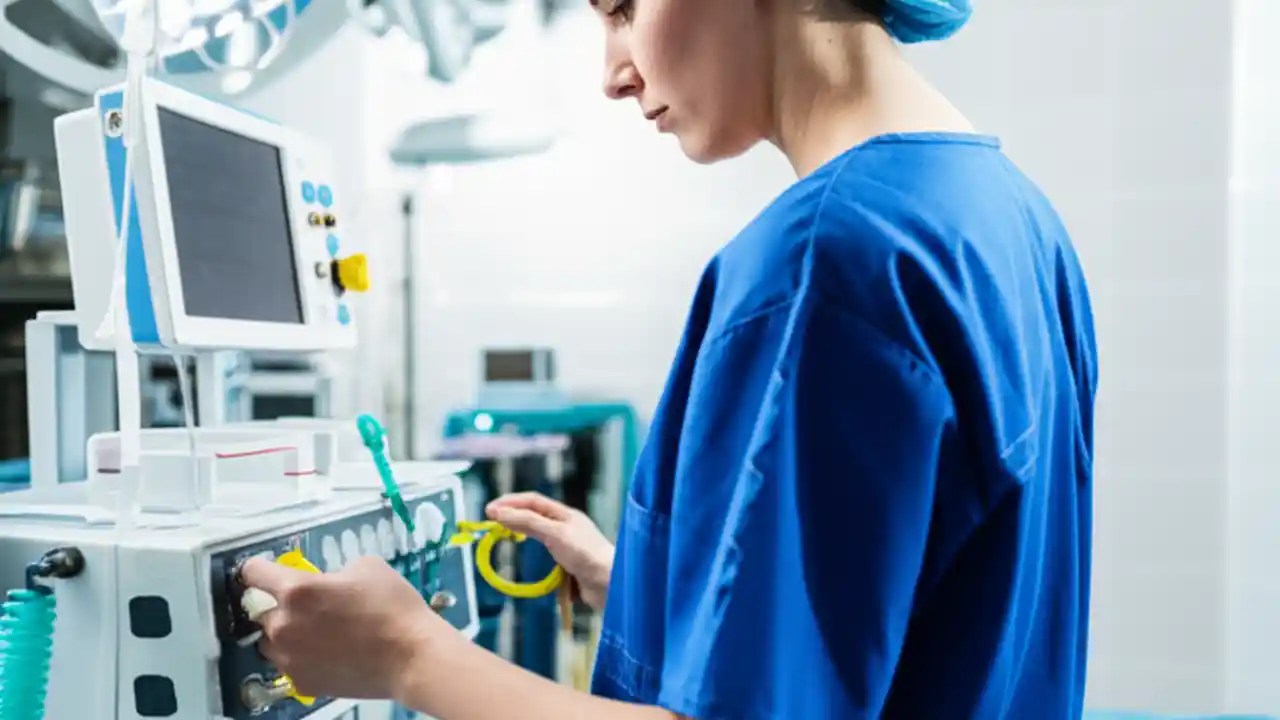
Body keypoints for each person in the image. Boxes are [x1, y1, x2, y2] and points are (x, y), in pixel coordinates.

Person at [241, 0, 1099, 717]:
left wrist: (403, 657)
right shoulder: (1012, 217)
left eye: (623, 9)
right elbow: (926, 607)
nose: (612, 73)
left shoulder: (827, 261)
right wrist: (651, 588)